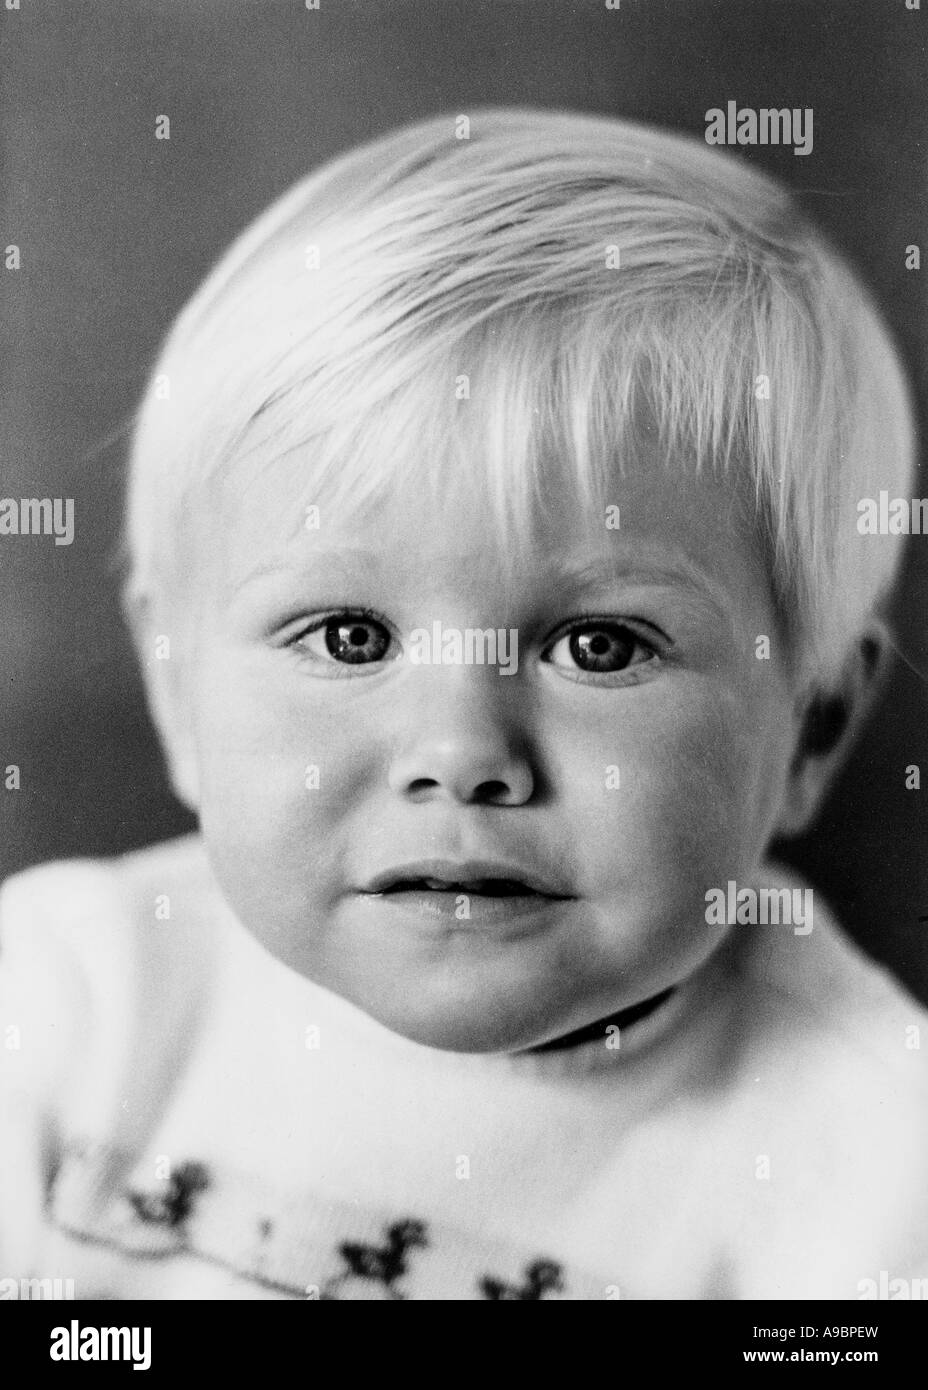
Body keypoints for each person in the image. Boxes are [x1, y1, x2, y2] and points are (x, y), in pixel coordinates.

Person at [2, 107, 926, 1301]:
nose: (460, 753)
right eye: (349, 636)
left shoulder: (874, 1183)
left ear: (809, 727)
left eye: (598, 645)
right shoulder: (64, 1003)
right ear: (176, 691)